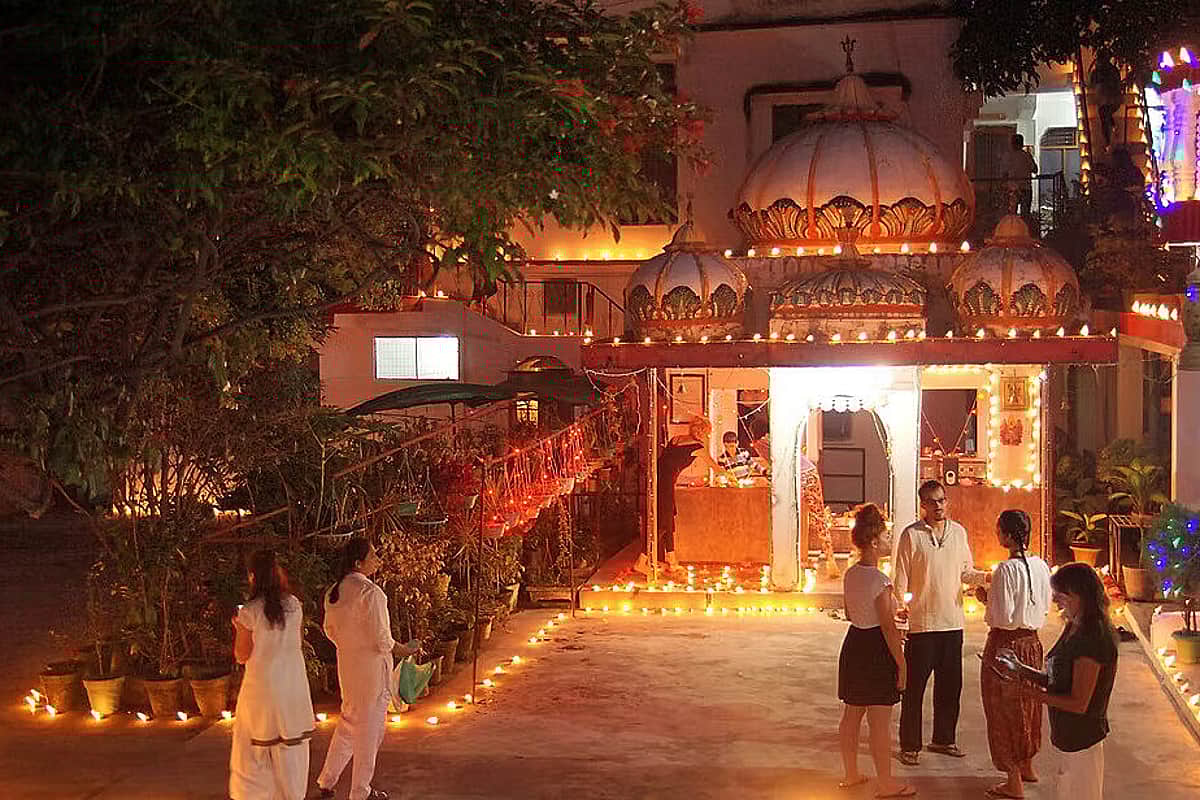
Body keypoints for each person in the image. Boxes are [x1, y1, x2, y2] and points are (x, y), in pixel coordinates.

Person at [995, 563, 1119, 800]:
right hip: (1067, 738)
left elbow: (1078, 703)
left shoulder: (1092, 639)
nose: (1055, 600)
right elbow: (1059, 681)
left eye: (1061, 595)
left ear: (1079, 595)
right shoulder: (1073, 626)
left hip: (1083, 741)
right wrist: (1020, 669)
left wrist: (1026, 693)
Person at [894, 480, 990, 766]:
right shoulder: (911, 535)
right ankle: (910, 744)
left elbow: (965, 572)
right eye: (932, 501)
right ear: (923, 505)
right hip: (922, 625)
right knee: (914, 689)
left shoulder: (958, 533)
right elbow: (900, 579)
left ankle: (944, 739)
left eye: (942, 500)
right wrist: (900, 610)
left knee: (950, 687)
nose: (938, 506)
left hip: (952, 623)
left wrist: (986, 577)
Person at [315, 538, 419, 800]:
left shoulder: (333, 592)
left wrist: (351, 645)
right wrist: (405, 649)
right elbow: (382, 640)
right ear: (358, 563)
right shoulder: (371, 593)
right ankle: (360, 792)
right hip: (372, 672)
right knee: (369, 733)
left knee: (348, 723)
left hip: (348, 667)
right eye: (373, 555)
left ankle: (327, 781)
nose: (377, 559)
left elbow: (330, 631)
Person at [837, 503, 914, 798]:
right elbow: (887, 627)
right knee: (880, 721)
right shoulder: (881, 581)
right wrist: (902, 664)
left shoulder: (851, 574)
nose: (888, 540)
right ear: (872, 541)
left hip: (854, 643)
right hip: (874, 648)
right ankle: (886, 783)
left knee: (852, 714)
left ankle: (851, 774)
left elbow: (850, 613)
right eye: (885, 536)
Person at [976, 510, 1052, 799]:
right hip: (1032, 644)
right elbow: (1043, 605)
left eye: (998, 530)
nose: (997, 534)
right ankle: (1028, 766)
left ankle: (1013, 781)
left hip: (1005, 647)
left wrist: (986, 599)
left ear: (1007, 535)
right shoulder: (1041, 566)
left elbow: (1001, 616)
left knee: (1003, 710)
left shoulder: (1005, 570)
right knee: (1028, 705)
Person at [229, 550, 315, 800]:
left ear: (252, 576)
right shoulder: (294, 605)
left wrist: (238, 628)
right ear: (278, 573)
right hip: (292, 686)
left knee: (256, 754)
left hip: (262, 689)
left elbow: (241, 655)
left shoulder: (250, 611)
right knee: (291, 750)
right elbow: (295, 641)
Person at [635, 416, 729, 577]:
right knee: (662, 523)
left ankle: (672, 560)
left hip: (656, 479)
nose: (707, 435)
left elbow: (667, 463)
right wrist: (730, 474)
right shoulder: (699, 447)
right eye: (707, 432)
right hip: (665, 483)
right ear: (703, 432)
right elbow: (715, 467)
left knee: (667, 520)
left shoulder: (676, 439)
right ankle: (641, 561)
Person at [1005, 134, 1038, 217]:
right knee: (1025, 213)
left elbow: (1004, 173)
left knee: (1012, 214)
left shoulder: (1008, 156)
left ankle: (1012, 225)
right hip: (1025, 188)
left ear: (1012, 143)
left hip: (1012, 188)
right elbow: (1035, 169)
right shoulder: (1026, 156)